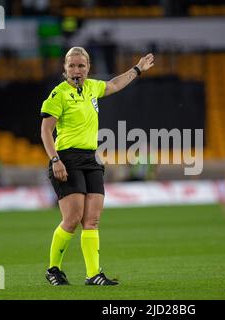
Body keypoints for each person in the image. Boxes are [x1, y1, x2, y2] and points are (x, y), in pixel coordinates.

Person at [40, 47, 154, 286]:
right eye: (72, 65)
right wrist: (55, 160)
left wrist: (137, 69)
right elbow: (45, 131)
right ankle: (53, 269)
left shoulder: (92, 87)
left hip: (91, 159)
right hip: (66, 159)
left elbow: (114, 84)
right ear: (64, 68)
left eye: (81, 66)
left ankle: (93, 274)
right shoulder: (58, 94)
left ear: (88, 68)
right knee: (72, 218)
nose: (76, 70)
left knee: (92, 220)